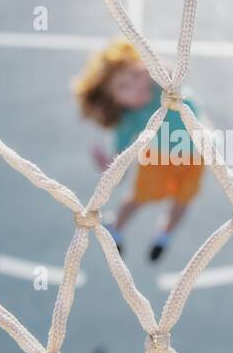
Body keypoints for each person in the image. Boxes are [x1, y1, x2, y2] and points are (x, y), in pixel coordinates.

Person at [72, 39, 203, 261]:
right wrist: (106, 166)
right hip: (157, 161)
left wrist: (147, 63)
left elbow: (170, 70)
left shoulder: (162, 88)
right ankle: (116, 226)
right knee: (139, 198)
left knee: (183, 199)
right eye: (123, 87)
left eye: (134, 75)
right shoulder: (129, 121)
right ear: (114, 100)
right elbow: (119, 164)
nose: (135, 86)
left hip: (194, 156)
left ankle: (165, 234)